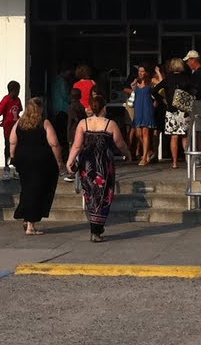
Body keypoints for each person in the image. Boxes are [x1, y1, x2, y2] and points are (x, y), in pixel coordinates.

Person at [67, 90, 129, 242]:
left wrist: (70, 161)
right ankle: (97, 228)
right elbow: (120, 143)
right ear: (104, 108)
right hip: (104, 164)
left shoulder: (83, 123)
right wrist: (128, 153)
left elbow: (76, 145)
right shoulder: (110, 124)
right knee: (104, 195)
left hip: (87, 163)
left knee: (90, 194)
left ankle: (94, 226)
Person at [10, 98, 65, 235]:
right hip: (41, 161)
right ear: (40, 109)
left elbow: (12, 141)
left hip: (23, 160)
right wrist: (59, 161)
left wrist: (12, 157)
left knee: (27, 188)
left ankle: (25, 217)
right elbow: (54, 143)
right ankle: (30, 225)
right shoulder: (44, 123)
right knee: (37, 191)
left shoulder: (19, 123)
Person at [155, 57, 193, 170]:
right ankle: (188, 160)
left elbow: (154, 90)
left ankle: (175, 162)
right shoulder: (186, 78)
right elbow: (194, 90)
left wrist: (162, 99)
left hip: (171, 110)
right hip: (184, 111)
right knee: (185, 136)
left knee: (174, 137)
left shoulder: (168, 79)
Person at [127, 64, 157, 166]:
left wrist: (158, 74)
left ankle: (144, 157)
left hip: (147, 108)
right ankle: (148, 151)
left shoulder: (151, 82)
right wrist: (133, 86)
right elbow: (132, 94)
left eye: (142, 71)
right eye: (139, 71)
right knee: (138, 133)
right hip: (138, 108)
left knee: (146, 132)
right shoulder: (136, 83)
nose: (140, 73)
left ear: (146, 72)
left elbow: (159, 89)